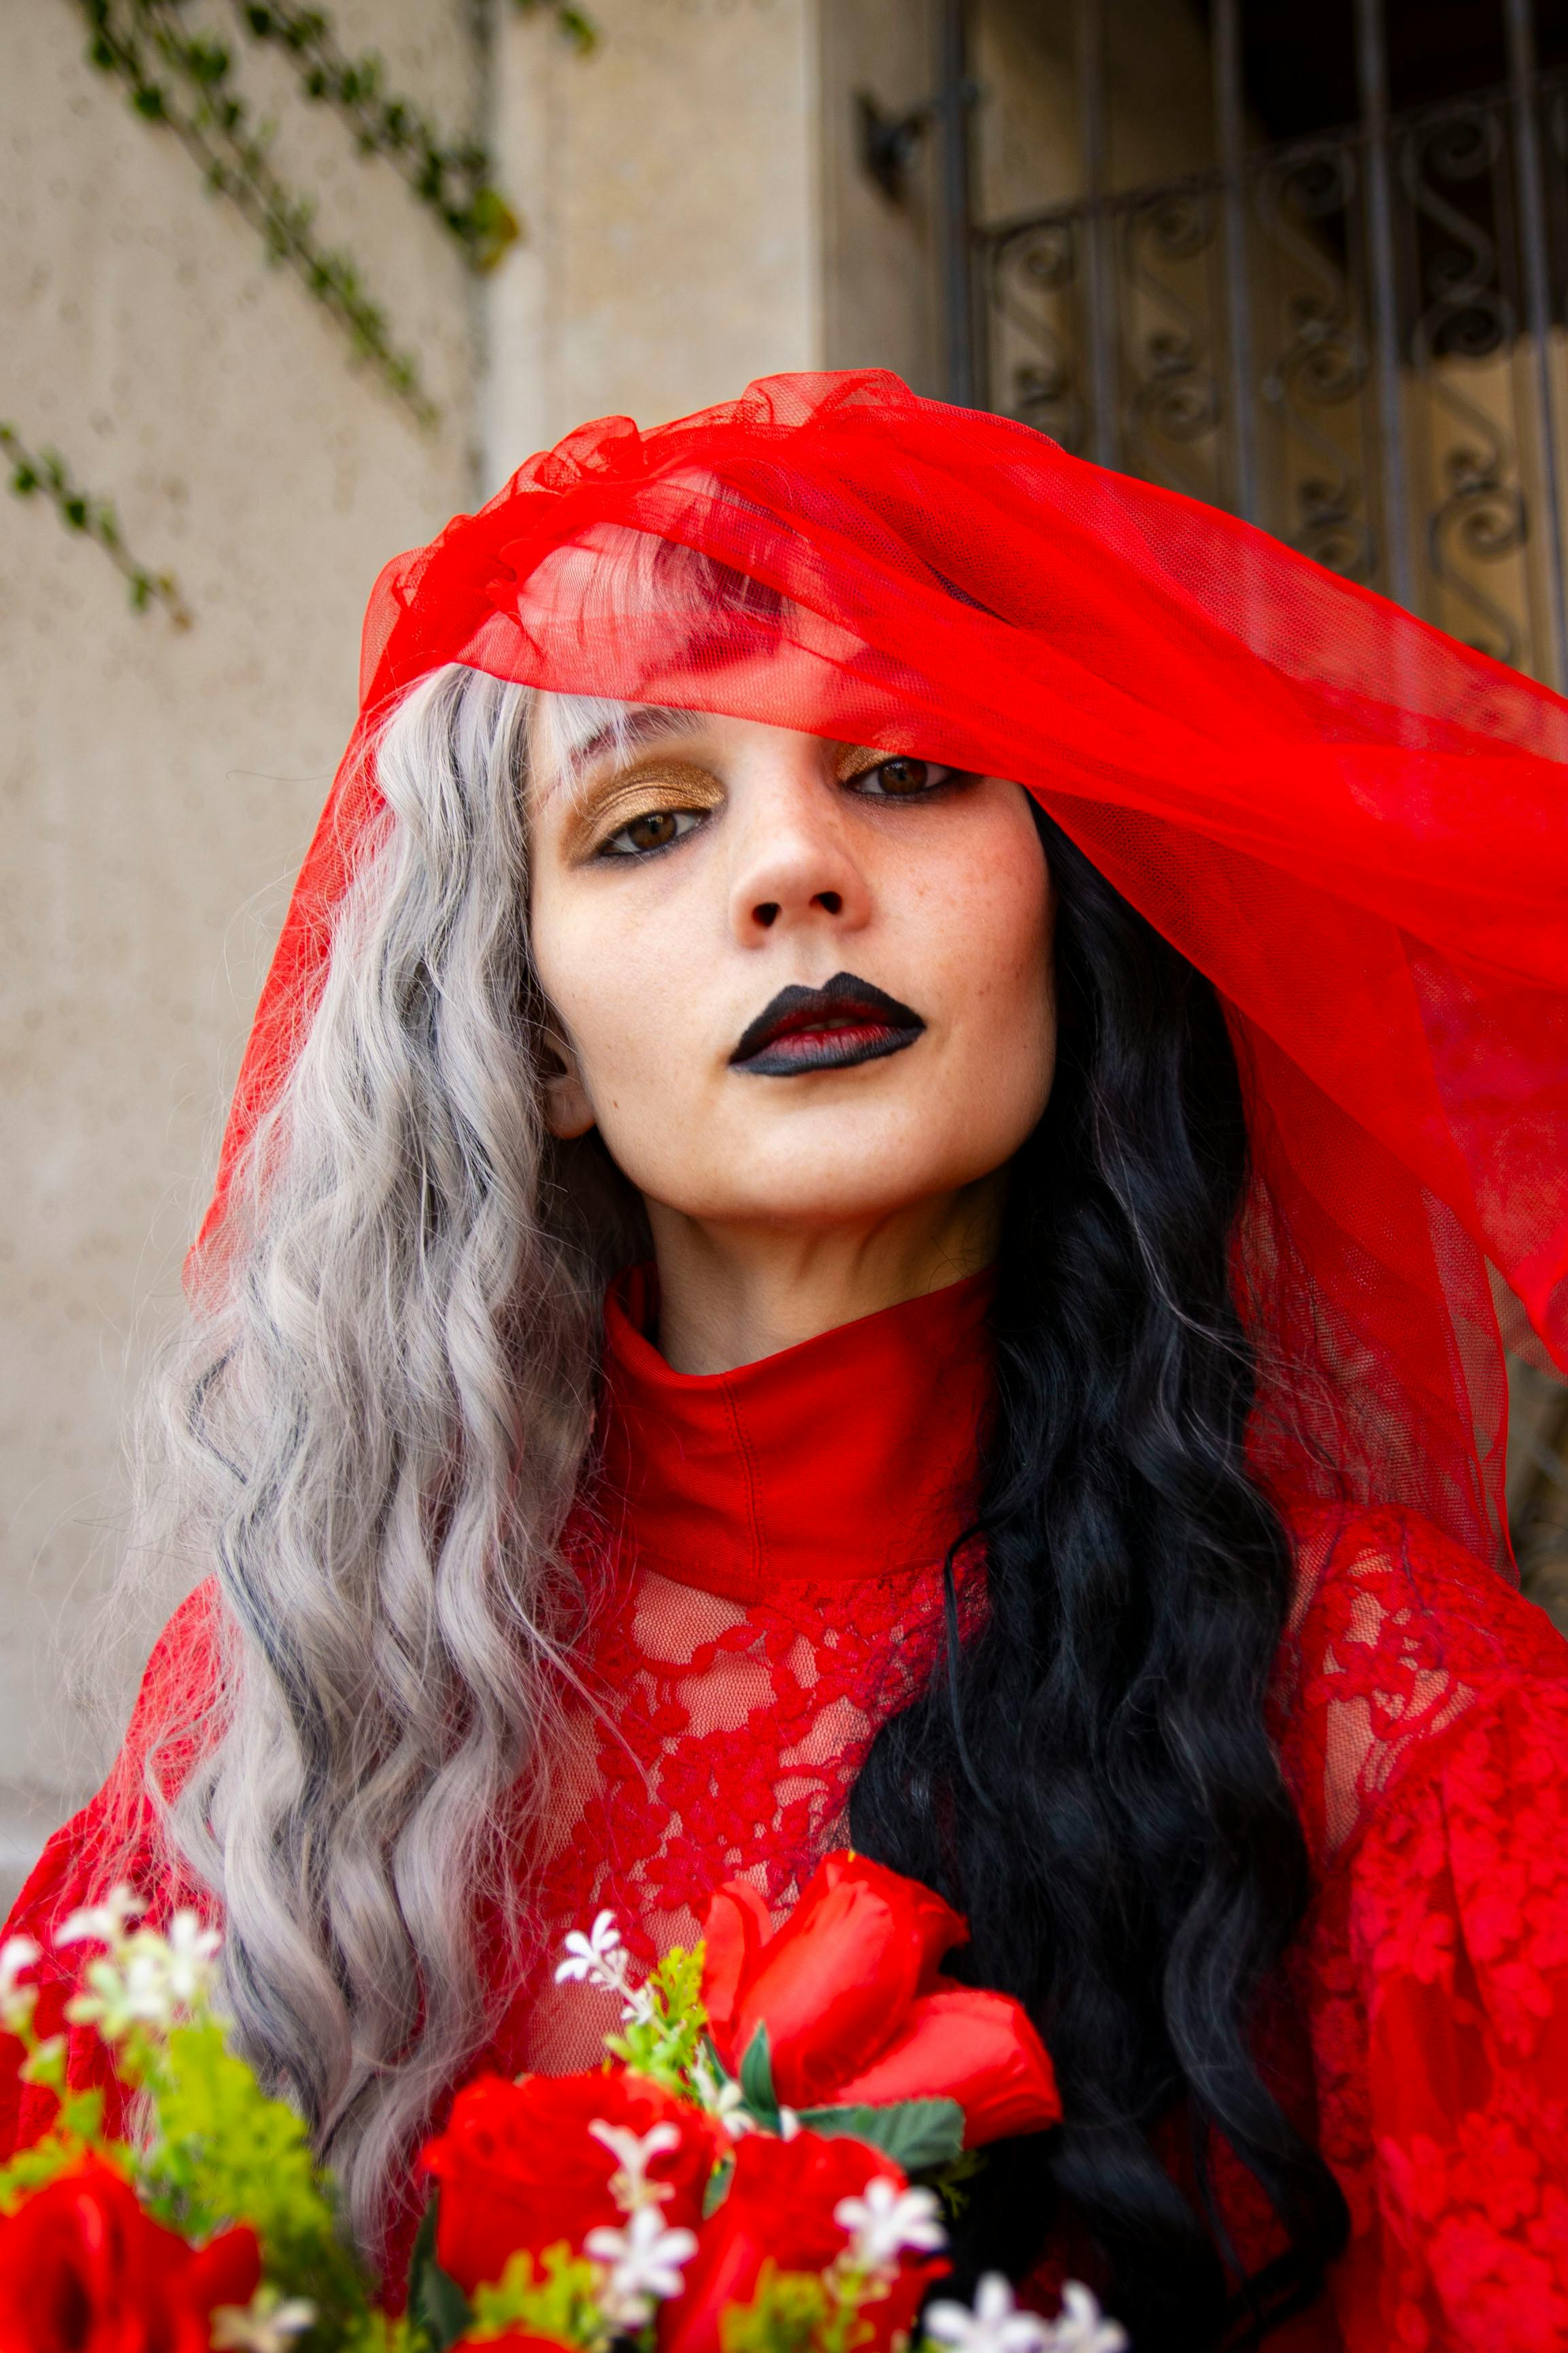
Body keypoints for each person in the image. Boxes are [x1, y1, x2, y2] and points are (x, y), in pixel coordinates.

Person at [3, 370, 1567, 2352]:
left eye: (907, 771)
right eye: (649, 821)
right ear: (535, 1049)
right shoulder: (290, 1739)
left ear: (1068, 921)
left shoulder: (1396, 1731)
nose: (793, 874)